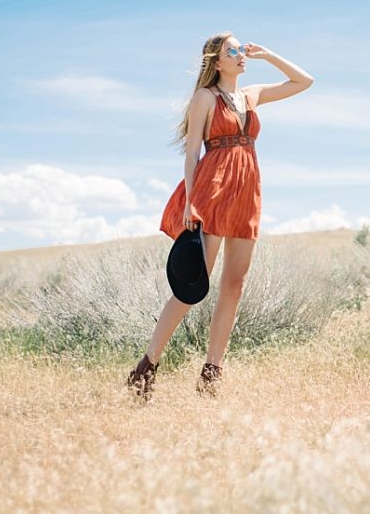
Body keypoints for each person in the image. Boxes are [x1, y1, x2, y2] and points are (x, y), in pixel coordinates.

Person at [127, 32, 314, 399]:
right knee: (193, 285)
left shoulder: (251, 95)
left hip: (247, 191)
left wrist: (269, 54)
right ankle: (146, 367)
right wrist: (189, 203)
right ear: (216, 62)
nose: (241, 54)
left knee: (235, 285)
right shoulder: (205, 98)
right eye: (234, 50)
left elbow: (304, 81)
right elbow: (192, 153)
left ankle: (212, 374)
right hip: (212, 191)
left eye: (242, 48)